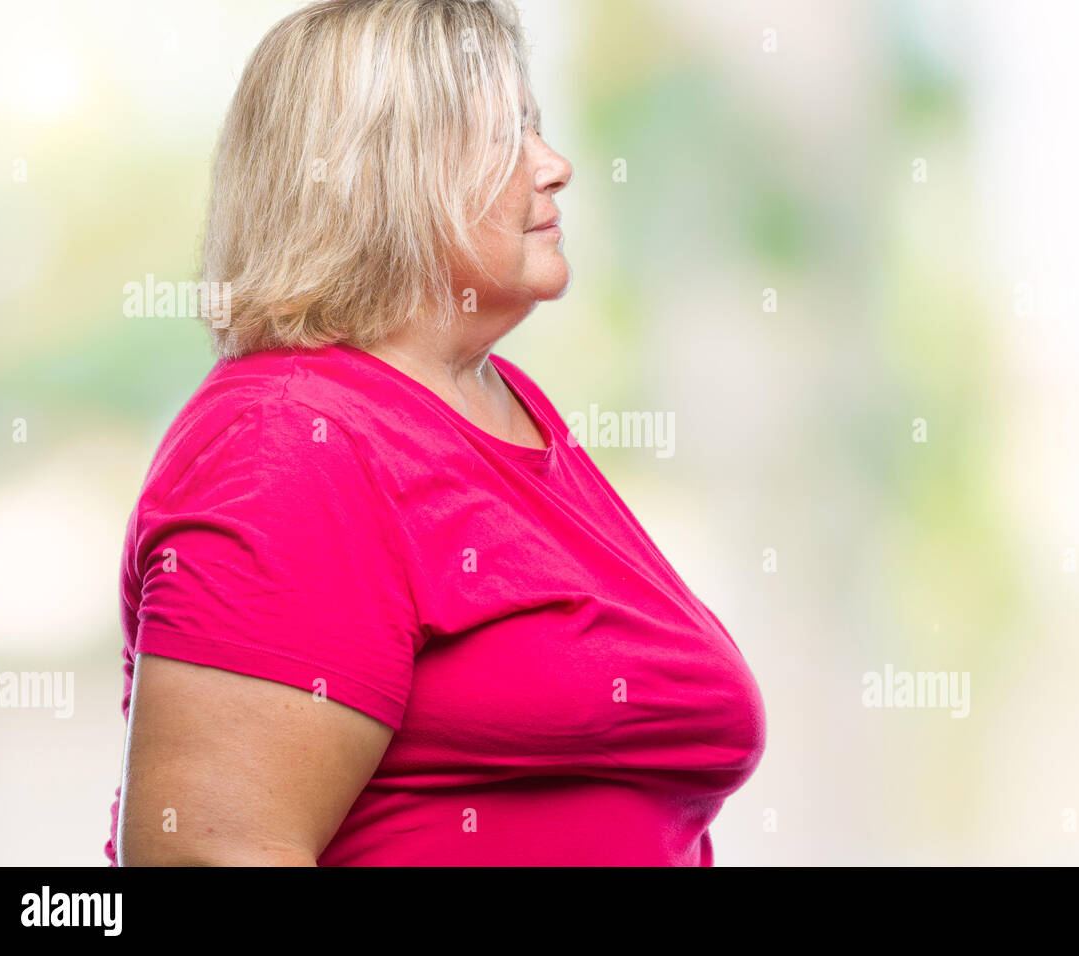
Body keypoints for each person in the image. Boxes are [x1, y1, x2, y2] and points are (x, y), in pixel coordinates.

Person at [108, 0, 766, 866]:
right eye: (506, 137)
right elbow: (206, 856)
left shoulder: (505, 403)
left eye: (539, 127)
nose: (556, 166)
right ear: (379, 175)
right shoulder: (292, 439)